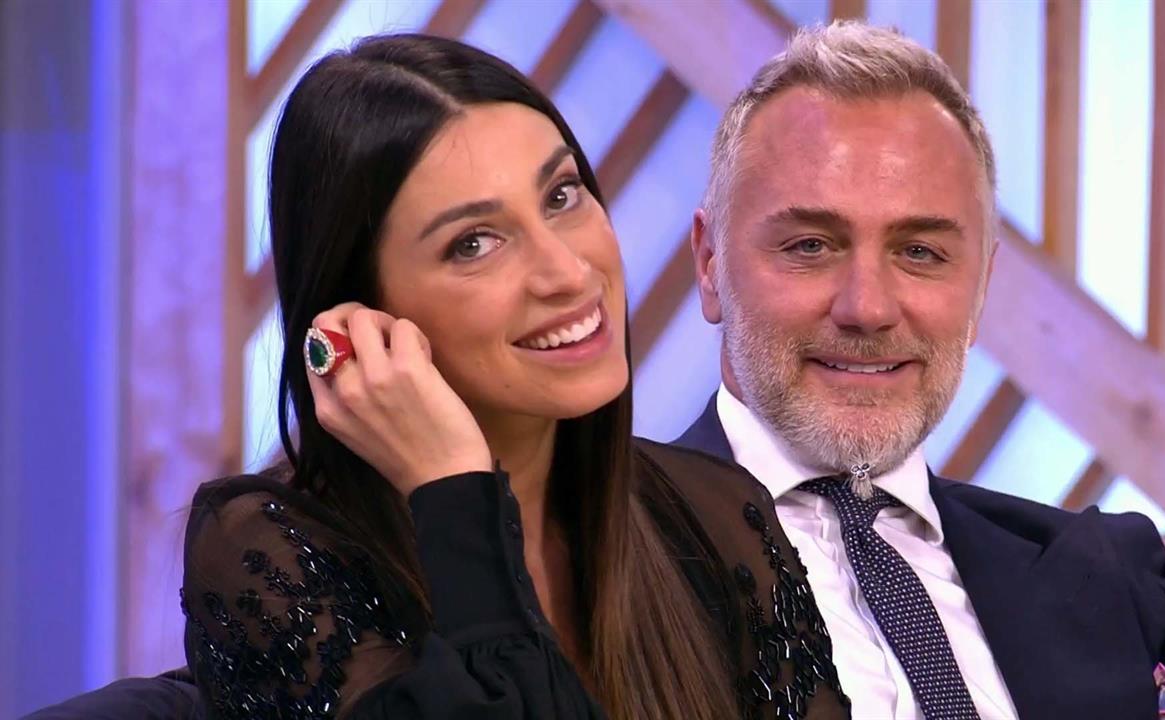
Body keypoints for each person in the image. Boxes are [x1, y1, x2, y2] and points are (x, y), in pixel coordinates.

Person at [26, 35, 848, 720]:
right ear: (360, 315)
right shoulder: (269, 554)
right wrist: (454, 486)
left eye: (562, 195)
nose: (567, 273)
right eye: (473, 243)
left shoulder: (717, 515)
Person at [675, 19, 1165, 720]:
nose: (867, 308)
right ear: (711, 264)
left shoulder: (1116, 576)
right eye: (810, 245)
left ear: (981, 287)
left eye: (920, 253)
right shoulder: (597, 543)